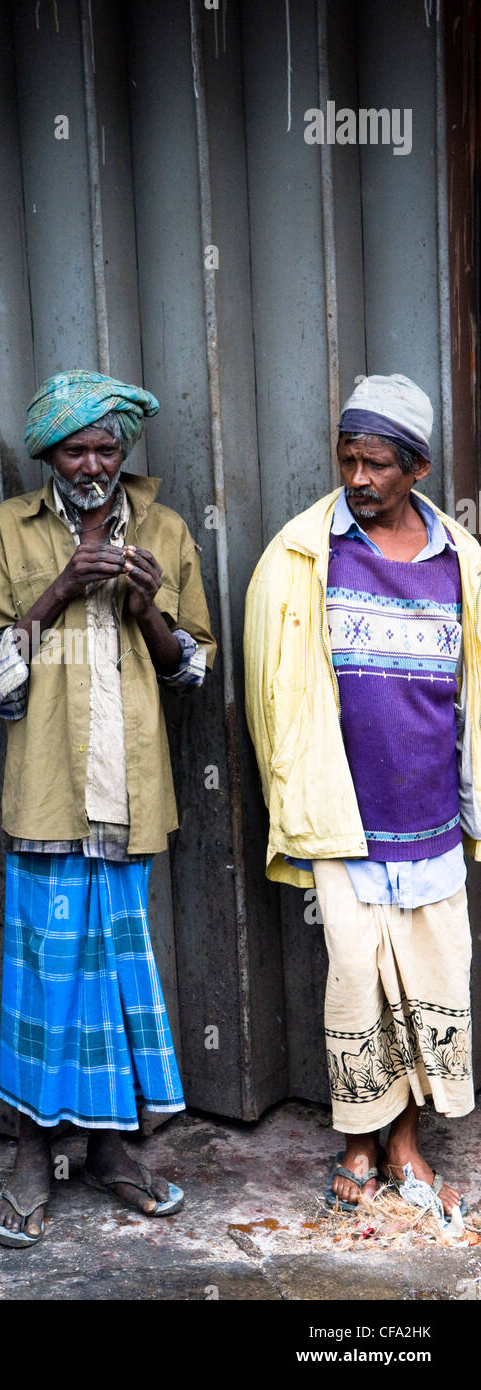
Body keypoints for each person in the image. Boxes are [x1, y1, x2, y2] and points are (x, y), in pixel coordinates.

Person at [0, 369, 216, 1246]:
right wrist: (61, 586)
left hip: (131, 800)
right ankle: (32, 1155)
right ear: (48, 454)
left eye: (108, 446)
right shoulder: (9, 532)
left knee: (107, 983)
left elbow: (192, 671)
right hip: (47, 800)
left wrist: (147, 608)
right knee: (44, 983)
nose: (94, 462)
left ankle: (109, 1151)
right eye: (76, 448)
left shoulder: (166, 530)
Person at [244, 373, 480, 1215]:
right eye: (347, 460)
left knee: (432, 979)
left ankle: (408, 1141)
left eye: (376, 464)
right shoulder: (302, 555)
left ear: (415, 467)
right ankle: (355, 1142)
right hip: (345, 819)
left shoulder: (461, 560)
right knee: (355, 981)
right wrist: (292, 800)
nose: (357, 478)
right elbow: (270, 694)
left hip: (432, 820)